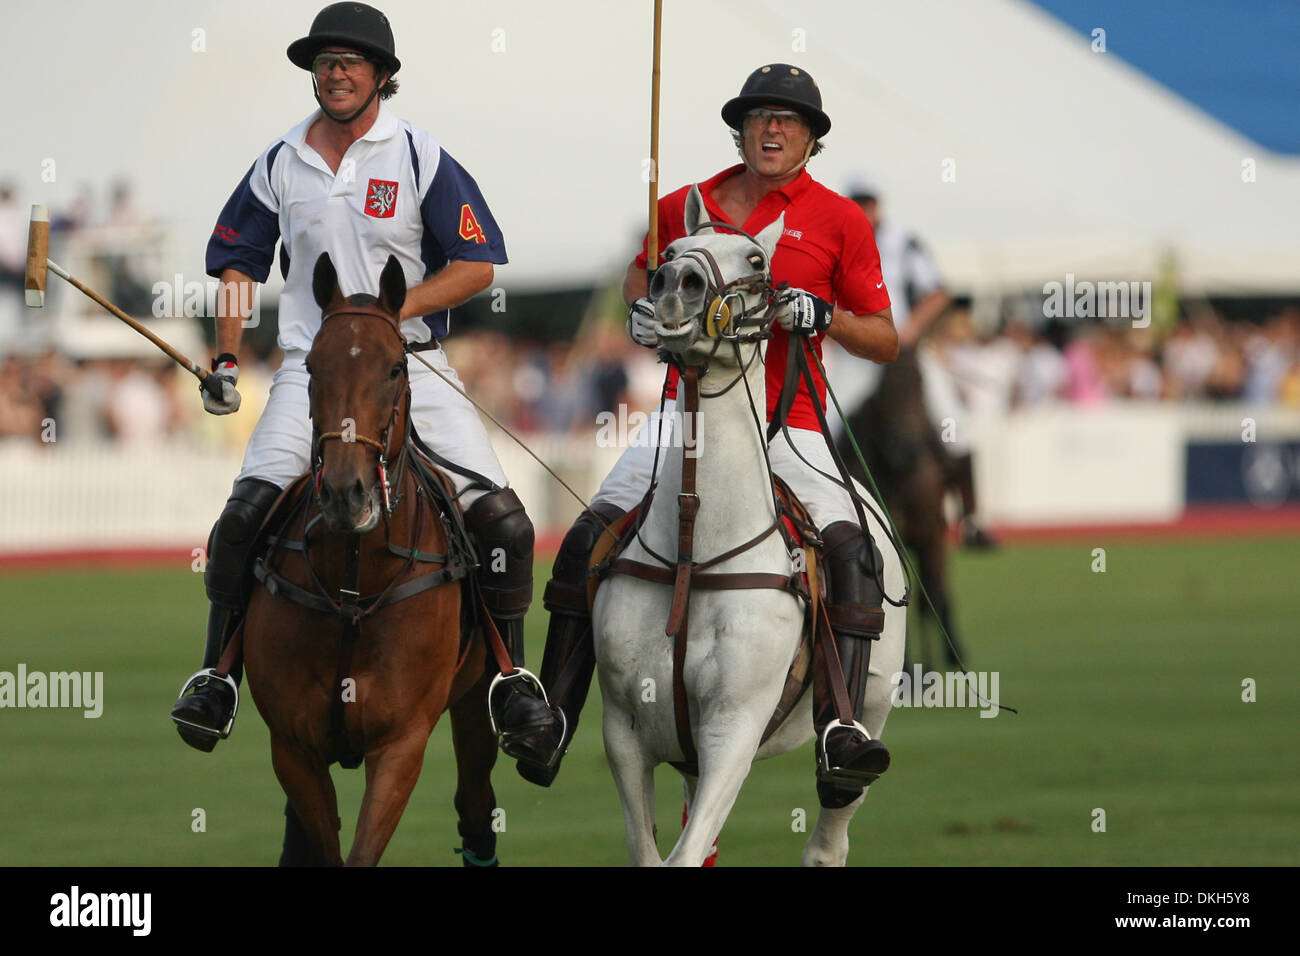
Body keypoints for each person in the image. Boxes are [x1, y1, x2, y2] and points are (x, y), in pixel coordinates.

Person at [168, 2, 561, 769]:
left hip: (409, 361)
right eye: (324, 62)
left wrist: (389, 316)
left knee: (504, 523)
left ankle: (510, 680)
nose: (335, 73)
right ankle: (217, 675)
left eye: (350, 62)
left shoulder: (418, 155)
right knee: (241, 519)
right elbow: (239, 265)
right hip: (310, 371)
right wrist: (222, 358)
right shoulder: (280, 160)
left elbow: (478, 264)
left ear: (382, 76)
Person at [521, 64, 899, 810]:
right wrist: (638, 310)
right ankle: (556, 712)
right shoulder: (685, 207)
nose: (772, 129)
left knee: (850, 547)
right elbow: (639, 279)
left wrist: (826, 317)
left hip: (787, 421)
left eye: (788, 121)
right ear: (741, 128)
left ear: (810, 139)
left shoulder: (839, 221)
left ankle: (840, 730)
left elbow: (884, 338)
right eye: (760, 116)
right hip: (682, 417)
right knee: (586, 535)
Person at [837, 181, 997, 548]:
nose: (864, 210)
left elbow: (937, 292)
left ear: (879, 205)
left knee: (954, 423)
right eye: (857, 203)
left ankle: (971, 519)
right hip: (856, 354)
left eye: (868, 203)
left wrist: (909, 331)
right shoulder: (838, 239)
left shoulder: (903, 242)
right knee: (826, 425)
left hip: (903, 353)